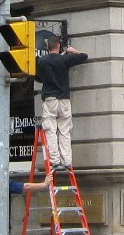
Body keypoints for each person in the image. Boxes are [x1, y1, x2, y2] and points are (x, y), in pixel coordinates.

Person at [38, 36, 89, 174]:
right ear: (59, 46)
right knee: (65, 131)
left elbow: (37, 76)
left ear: (47, 47)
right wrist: (73, 51)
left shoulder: (42, 61)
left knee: (50, 130)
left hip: (50, 100)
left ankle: (54, 161)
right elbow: (84, 56)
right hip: (64, 100)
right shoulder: (64, 59)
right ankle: (66, 161)